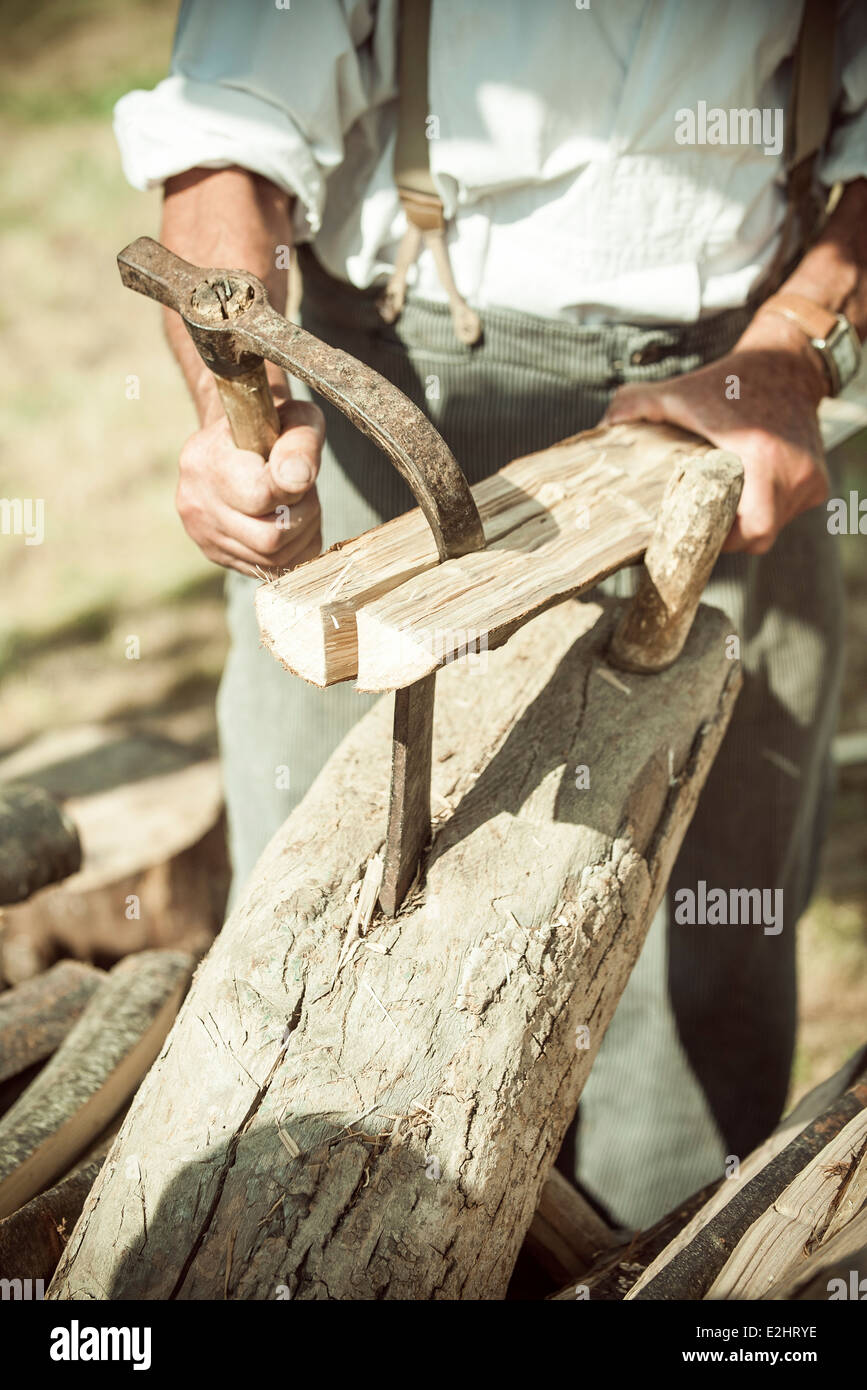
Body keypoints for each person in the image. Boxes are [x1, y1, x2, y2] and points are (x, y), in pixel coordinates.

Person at [114, 0, 867, 1230]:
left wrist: (791, 349)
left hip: (727, 428)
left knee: (694, 996)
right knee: (323, 982)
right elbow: (224, 144)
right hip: (388, 413)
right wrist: (229, 402)